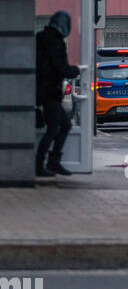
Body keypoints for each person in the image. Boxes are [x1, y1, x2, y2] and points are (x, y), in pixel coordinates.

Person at [35, 10, 80, 177]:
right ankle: (41, 164)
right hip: (50, 92)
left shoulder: (41, 38)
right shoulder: (56, 42)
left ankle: (53, 162)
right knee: (54, 128)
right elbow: (59, 66)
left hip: (43, 90)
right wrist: (74, 70)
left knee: (63, 125)